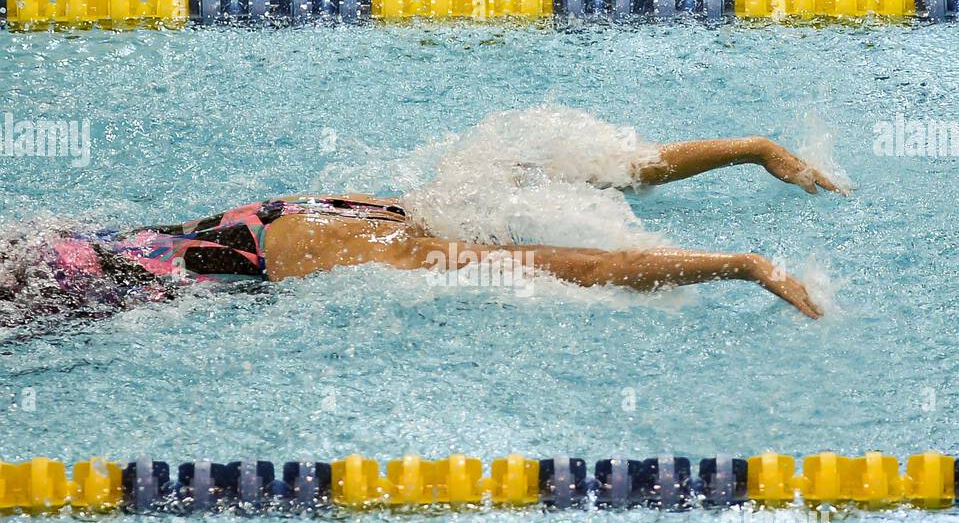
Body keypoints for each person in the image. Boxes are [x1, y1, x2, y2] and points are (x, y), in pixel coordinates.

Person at [0, 133, 840, 327]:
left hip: (71, 242)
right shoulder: (401, 246)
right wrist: (731, 264)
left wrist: (747, 148)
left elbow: (621, 167)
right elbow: (586, 266)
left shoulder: (373, 201)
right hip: (76, 287)